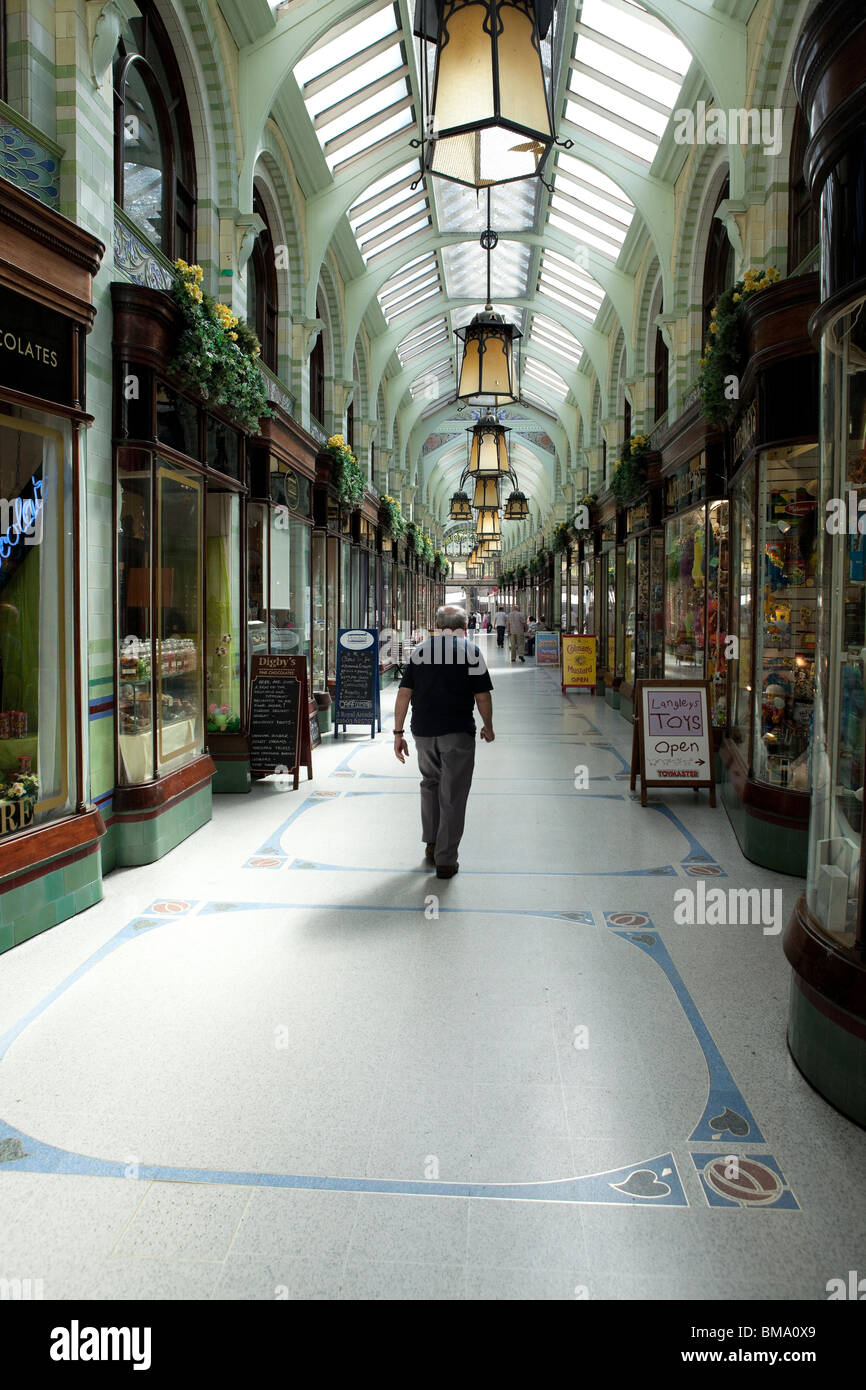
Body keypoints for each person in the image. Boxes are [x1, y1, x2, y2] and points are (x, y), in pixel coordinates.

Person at [393, 605, 494, 879]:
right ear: (464, 626)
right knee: (453, 793)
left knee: (430, 784)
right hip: (457, 732)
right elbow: (482, 696)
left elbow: (404, 693)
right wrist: (488, 725)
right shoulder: (471, 651)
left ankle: (432, 843)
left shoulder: (420, 651)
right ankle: (446, 860)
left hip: (423, 732)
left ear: (437, 626)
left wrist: (398, 733)